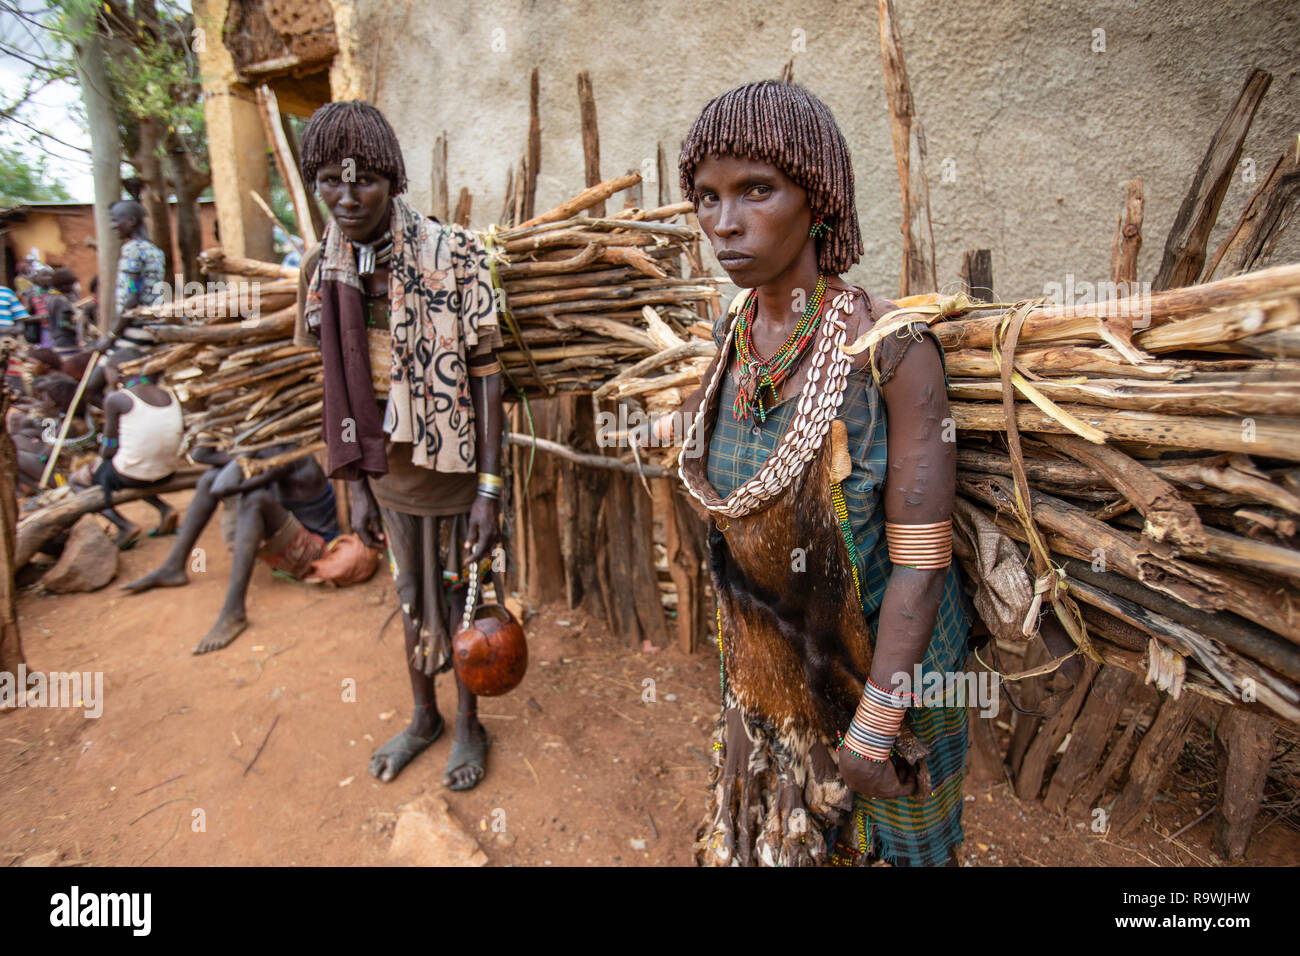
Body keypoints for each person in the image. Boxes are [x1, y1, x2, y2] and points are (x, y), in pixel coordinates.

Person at [663, 81, 977, 867]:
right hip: (772, 672)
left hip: (889, 689)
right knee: (782, 841)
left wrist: (875, 726)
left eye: (756, 190)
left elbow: (920, 559)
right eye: (706, 197)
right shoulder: (728, 345)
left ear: (819, 198)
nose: (724, 222)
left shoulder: (894, 356)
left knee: (897, 852)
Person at [294, 100, 505, 791]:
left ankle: (469, 723)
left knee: (461, 603)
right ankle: (424, 717)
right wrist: (351, 486)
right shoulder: (323, 270)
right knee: (408, 598)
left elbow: (486, 376)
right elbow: (333, 387)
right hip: (385, 476)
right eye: (330, 180)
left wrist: (489, 490)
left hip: (453, 473)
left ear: (394, 179)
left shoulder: (456, 255)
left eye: (364, 181)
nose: (347, 197)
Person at [121, 444, 345, 654]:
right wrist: (244, 453)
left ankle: (234, 612)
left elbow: (224, 486)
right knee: (208, 478)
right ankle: (173, 566)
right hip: (293, 538)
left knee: (255, 499)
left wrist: (242, 455)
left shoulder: (291, 460)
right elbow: (200, 453)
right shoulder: (272, 453)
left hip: (316, 551)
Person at [94, 366, 182, 548]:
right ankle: (164, 509)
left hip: (134, 476)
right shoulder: (170, 394)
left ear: (118, 373)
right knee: (134, 463)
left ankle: (124, 526)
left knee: (85, 479)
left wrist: (100, 460)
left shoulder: (117, 399)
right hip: (167, 472)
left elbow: (109, 447)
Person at [105, 200, 166, 352]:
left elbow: (132, 296)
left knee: (103, 372)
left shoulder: (131, 250)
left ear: (131, 221)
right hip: (155, 324)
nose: (112, 226)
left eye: (114, 220)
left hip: (135, 327)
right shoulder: (155, 251)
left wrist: (111, 336)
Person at [44, 268, 81, 355]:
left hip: (57, 340)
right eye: (71, 285)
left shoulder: (51, 298)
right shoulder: (61, 300)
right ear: (64, 285)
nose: (72, 287)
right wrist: (80, 330)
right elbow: (63, 324)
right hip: (67, 343)